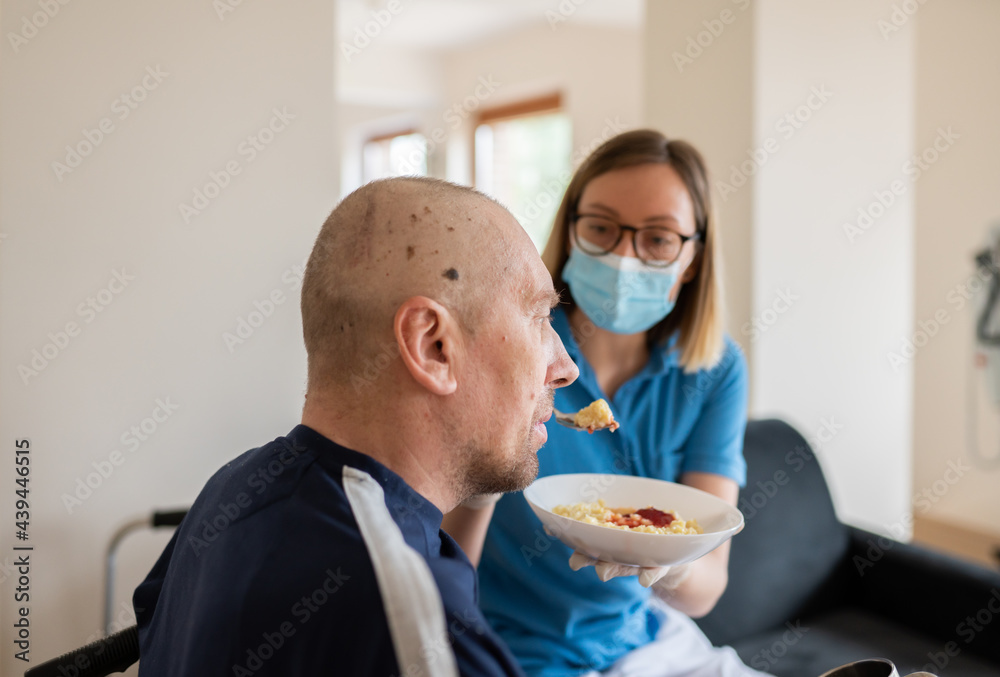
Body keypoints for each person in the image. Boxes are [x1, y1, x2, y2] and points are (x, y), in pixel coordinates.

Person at [132, 177, 578, 676]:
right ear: (432, 347)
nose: (565, 367)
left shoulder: (231, 488)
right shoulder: (417, 626)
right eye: (540, 317)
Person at [443, 130, 768, 677]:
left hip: (644, 641)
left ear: (692, 259)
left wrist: (664, 567)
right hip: (514, 649)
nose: (623, 257)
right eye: (601, 227)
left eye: (659, 239)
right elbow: (442, 575)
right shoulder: (511, 348)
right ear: (570, 232)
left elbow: (708, 583)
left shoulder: (714, 371)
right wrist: (482, 483)